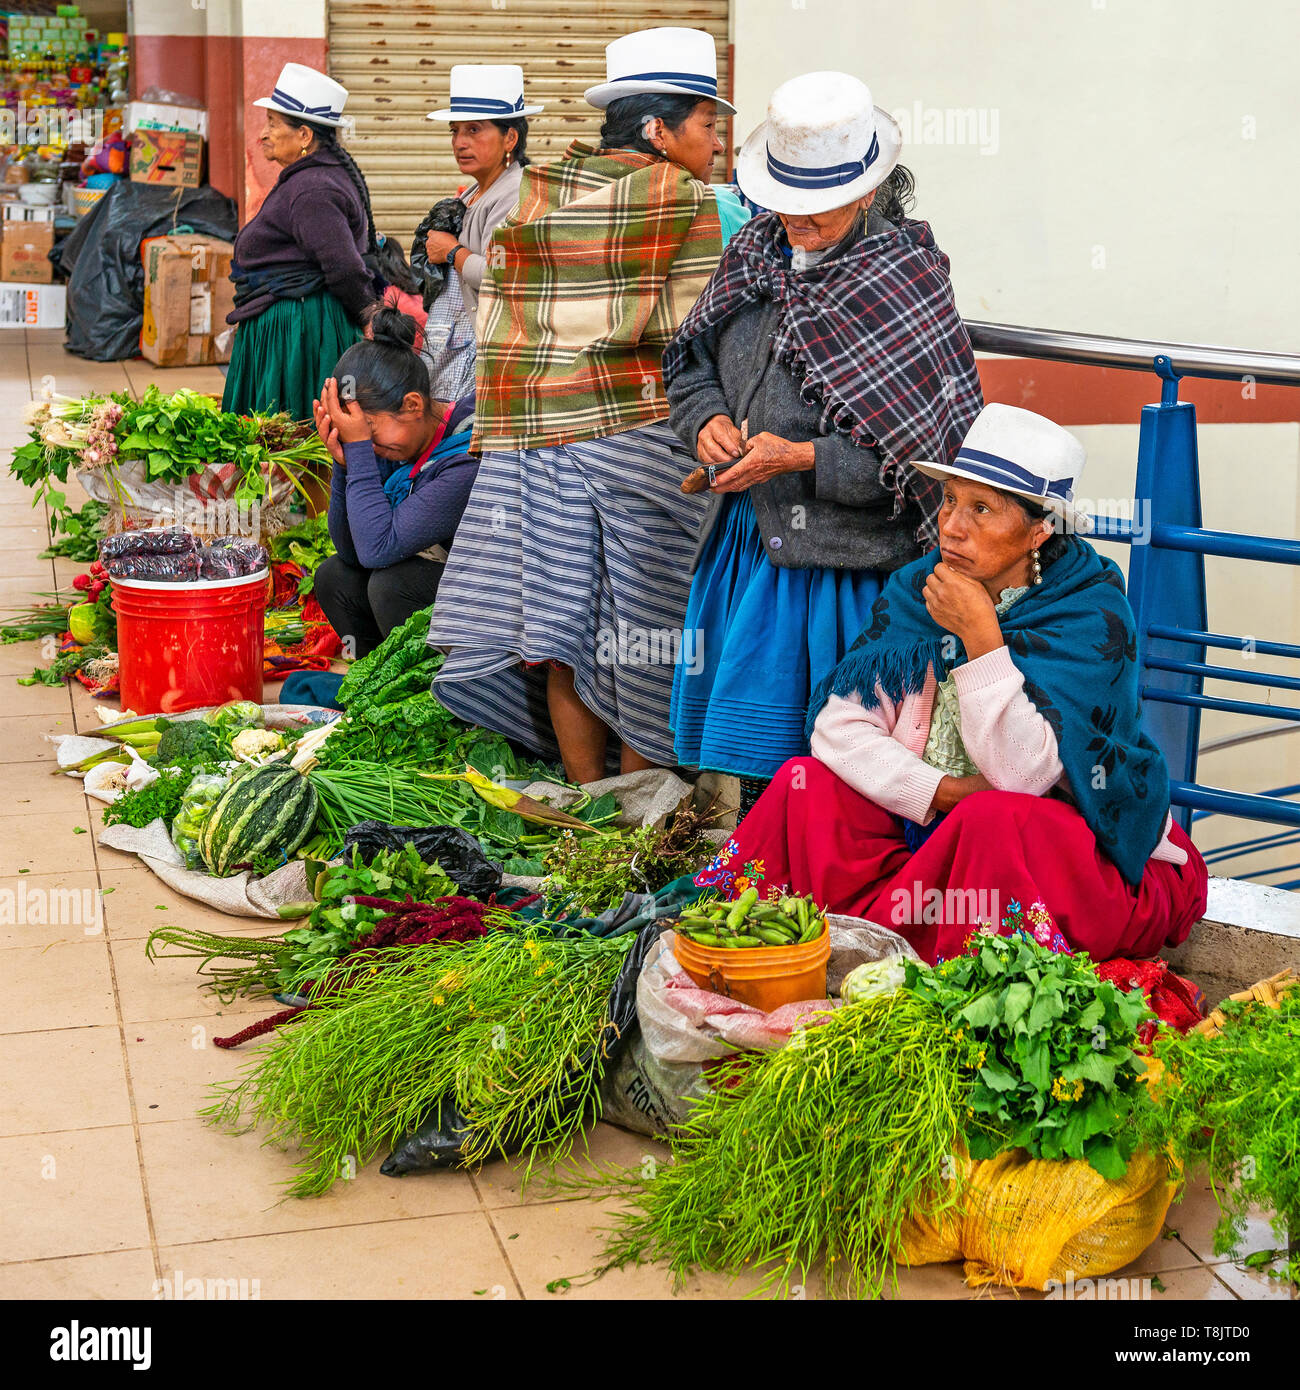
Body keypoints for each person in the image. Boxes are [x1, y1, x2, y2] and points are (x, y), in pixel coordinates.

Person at [697, 405, 1209, 965]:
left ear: (1039, 529)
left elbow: (1026, 776)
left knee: (989, 819)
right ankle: (792, 942)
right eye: (949, 501)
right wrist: (938, 792)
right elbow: (836, 728)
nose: (951, 526)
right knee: (805, 781)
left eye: (982, 509)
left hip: (1064, 856)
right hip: (932, 829)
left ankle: (951, 976)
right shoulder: (920, 590)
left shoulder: (1089, 615)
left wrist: (982, 641)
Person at [429, 27, 749, 785]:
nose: (715, 144)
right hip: (641, 449)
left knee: (563, 632)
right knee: (646, 632)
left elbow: (513, 314)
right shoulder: (700, 206)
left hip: (533, 450)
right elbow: (725, 327)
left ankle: (589, 799)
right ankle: (640, 804)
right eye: (708, 125)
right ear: (659, 130)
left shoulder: (543, 191)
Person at [664, 71, 984, 816]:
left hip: (843, 567)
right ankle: (765, 891)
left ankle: (831, 909)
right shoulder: (756, 250)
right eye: (785, 207)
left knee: (842, 763)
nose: (795, 226)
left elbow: (927, 462)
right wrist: (704, 418)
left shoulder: (904, 284)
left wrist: (802, 457)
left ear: (867, 193)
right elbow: (692, 361)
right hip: (750, 551)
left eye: (815, 212)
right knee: (756, 770)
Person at [311, 307, 477, 658]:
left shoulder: (465, 455)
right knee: (334, 576)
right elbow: (353, 553)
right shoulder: (395, 447)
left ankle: (441, 694)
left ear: (413, 405)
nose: (366, 445)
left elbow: (378, 548)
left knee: (391, 585)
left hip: (489, 602)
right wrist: (344, 464)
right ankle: (376, 682)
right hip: (437, 577)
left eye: (368, 430)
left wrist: (358, 452)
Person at [223, 63, 379, 419]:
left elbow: (343, 265)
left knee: (290, 429)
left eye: (273, 124)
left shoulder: (313, 190)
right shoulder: (310, 179)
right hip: (295, 323)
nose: (263, 134)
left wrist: (368, 314)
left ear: (305, 135)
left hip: (301, 332)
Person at [417, 65, 543, 400]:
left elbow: (503, 275)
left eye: (474, 130)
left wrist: (452, 252)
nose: (460, 142)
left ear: (510, 138)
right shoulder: (474, 194)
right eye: (455, 131)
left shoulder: (515, 193)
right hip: (455, 349)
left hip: (487, 355)